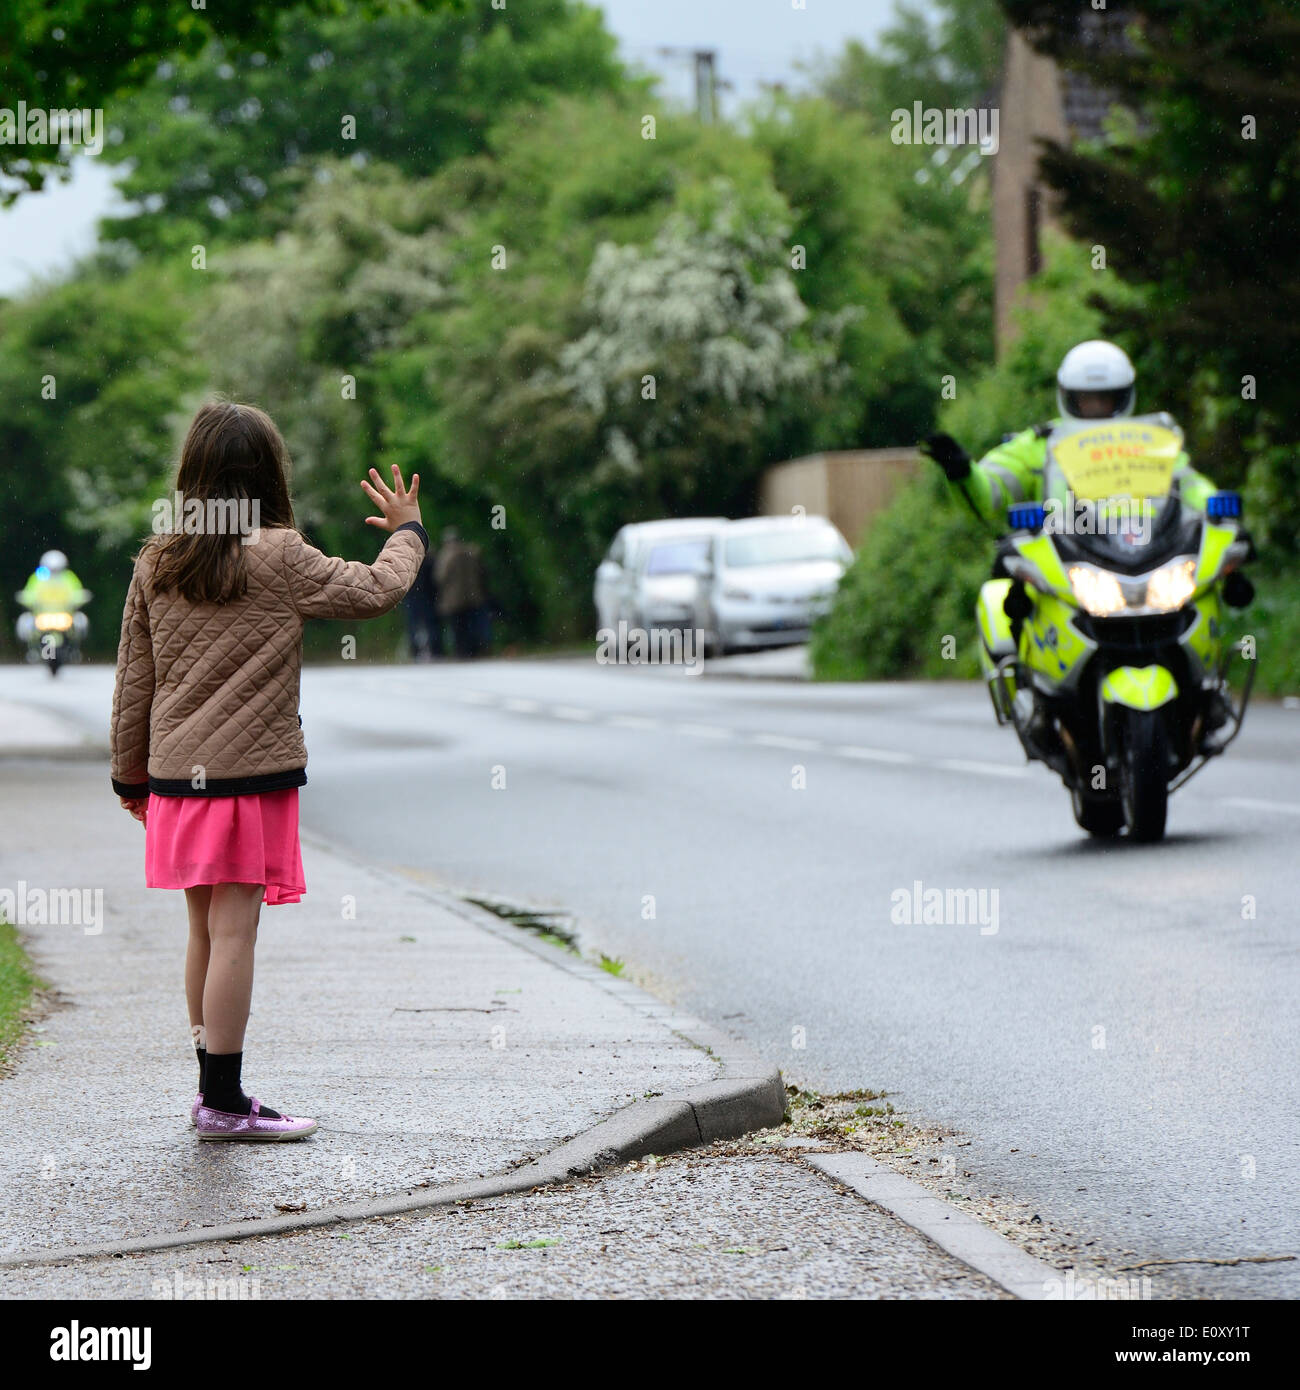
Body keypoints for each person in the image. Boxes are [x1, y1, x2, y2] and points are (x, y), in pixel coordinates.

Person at [109, 400, 428, 1142]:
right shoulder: (284, 555)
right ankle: (224, 1102)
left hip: (177, 780)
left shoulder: (159, 558)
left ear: (193, 474)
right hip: (246, 780)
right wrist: (408, 531)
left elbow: (135, 679)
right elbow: (376, 591)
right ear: (268, 474)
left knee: (203, 933)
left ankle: (210, 1093)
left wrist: (131, 778)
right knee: (235, 936)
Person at [921, 340, 1218, 522]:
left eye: (1106, 397)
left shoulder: (1150, 443)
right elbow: (990, 494)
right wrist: (962, 472)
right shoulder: (1039, 445)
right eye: (1086, 399)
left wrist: (1217, 507)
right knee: (1002, 601)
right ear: (1069, 396)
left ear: (1124, 396)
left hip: (1150, 555)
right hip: (1063, 570)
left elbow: (1190, 484)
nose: (1097, 407)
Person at [16, 550, 91, 649]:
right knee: (26, 620)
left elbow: (78, 592)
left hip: (65, 614)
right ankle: (33, 648)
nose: (53, 572)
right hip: (42, 614)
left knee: (80, 620)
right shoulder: (38, 577)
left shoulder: (68, 577)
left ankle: (74, 648)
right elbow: (29, 593)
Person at [434, 525, 488, 659]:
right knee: (470, 625)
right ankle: (474, 650)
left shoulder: (446, 555)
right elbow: (481, 572)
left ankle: (460, 652)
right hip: (472, 596)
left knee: (457, 628)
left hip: (453, 598)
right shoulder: (470, 552)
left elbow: (439, 576)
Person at [402, 545, 442, 660]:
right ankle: (436, 651)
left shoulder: (409, 562)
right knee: (431, 625)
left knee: (413, 626)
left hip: (412, 598)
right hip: (428, 598)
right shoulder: (431, 561)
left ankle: (416, 652)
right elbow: (436, 580)